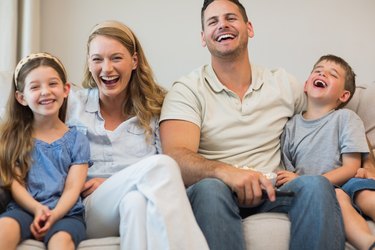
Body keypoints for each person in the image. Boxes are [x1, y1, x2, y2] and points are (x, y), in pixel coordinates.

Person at [160, 0, 345, 249]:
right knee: (210, 190)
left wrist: (366, 163)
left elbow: (329, 118)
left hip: (273, 190)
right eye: (213, 21)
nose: (222, 25)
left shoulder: (283, 84)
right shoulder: (187, 90)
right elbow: (175, 158)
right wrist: (228, 173)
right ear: (203, 37)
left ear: (249, 28)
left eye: (230, 18)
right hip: (215, 193)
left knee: (315, 185)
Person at [65, 20, 209, 250]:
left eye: (116, 58)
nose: (107, 68)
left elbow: (168, 185)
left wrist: (113, 183)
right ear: (89, 63)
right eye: (97, 59)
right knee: (161, 166)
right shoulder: (73, 105)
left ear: (134, 61)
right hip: (89, 209)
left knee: (135, 202)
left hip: (134, 202)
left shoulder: (157, 109)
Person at [277, 54, 375, 250]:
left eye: (332, 74)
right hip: (322, 193)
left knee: (364, 193)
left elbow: (351, 167)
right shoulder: (291, 127)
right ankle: (369, 244)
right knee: (338, 198)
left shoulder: (346, 118)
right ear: (306, 85)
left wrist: (313, 181)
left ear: (344, 95)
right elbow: (291, 174)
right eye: (318, 70)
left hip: (350, 181)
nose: (323, 73)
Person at [0, 52, 90, 250]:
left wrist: (55, 214)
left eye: (52, 84)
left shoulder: (78, 140)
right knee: (3, 228)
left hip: (65, 214)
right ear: (21, 98)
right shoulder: (14, 138)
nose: (45, 92)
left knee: (61, 242)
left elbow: (73, 188)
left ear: (66, 90)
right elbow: (14, 183)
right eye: (35, 87)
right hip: (24, 208)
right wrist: (37, 209)